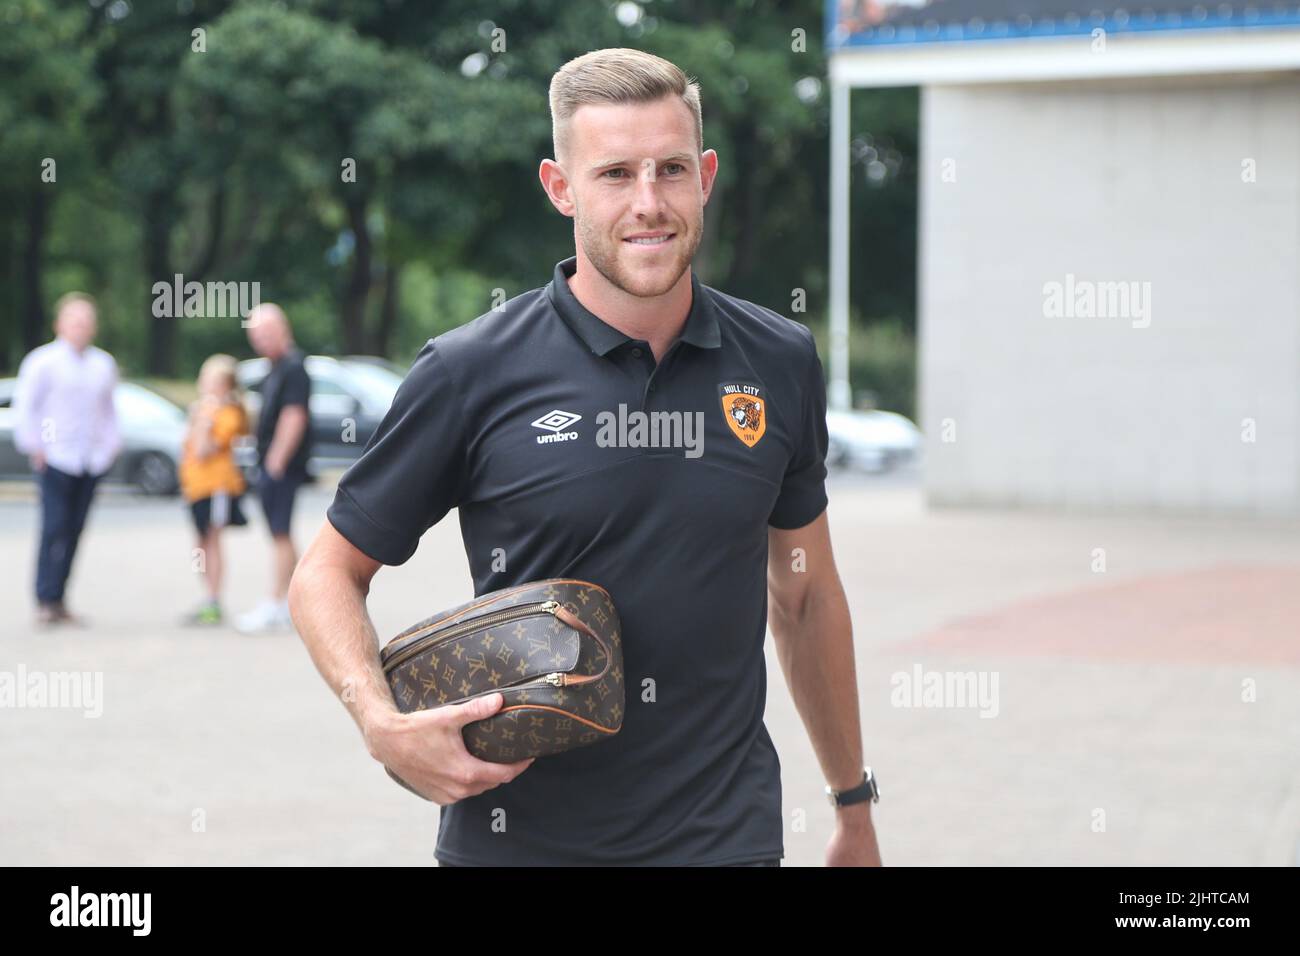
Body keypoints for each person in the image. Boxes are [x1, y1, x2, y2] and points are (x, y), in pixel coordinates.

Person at [289, 48, 882, 867]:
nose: (650, 203)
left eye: (672, 169)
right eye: (615, 175)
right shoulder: (471, 371)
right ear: (560, 187)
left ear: (704, 176)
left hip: (726, 841)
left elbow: (807, 593)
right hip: (519, 843)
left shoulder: (777, 360)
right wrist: (379, 722)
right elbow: (325, 572)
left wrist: (853, 804)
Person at [12, 292, 122, 627]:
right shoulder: (42, 362)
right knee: (54, 528)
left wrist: (110, 448)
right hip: (56, 458)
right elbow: (27, 407)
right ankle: (45, 597)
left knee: (75, 530)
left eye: (86, 322)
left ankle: (60, 598)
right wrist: (36, 446)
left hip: (90, 459)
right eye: (75, 321)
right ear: (60, 324)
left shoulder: (103, 364)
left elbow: (109, 412)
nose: (81, 327)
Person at [236, 303, 311, 634]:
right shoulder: (275, 367)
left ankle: (278, 600)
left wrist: (275, 462)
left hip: (280, 466)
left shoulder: (293, 367)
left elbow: (294, 415)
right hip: (271, 464)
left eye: (266, 333)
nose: (261, 340)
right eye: (255, 335)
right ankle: (294, 600)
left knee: (279, 533)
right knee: (280, 533)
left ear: (283, 329)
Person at [178, 354, 251, 625]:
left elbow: (203, 449)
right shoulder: (201, 412)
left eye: (212, 381)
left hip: (217, 486)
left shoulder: (227, 415)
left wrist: (205, 420)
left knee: (212, 539)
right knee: (200, 543)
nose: (206, 386)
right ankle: (207, 595)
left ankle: (214, 598)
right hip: (195, 487)